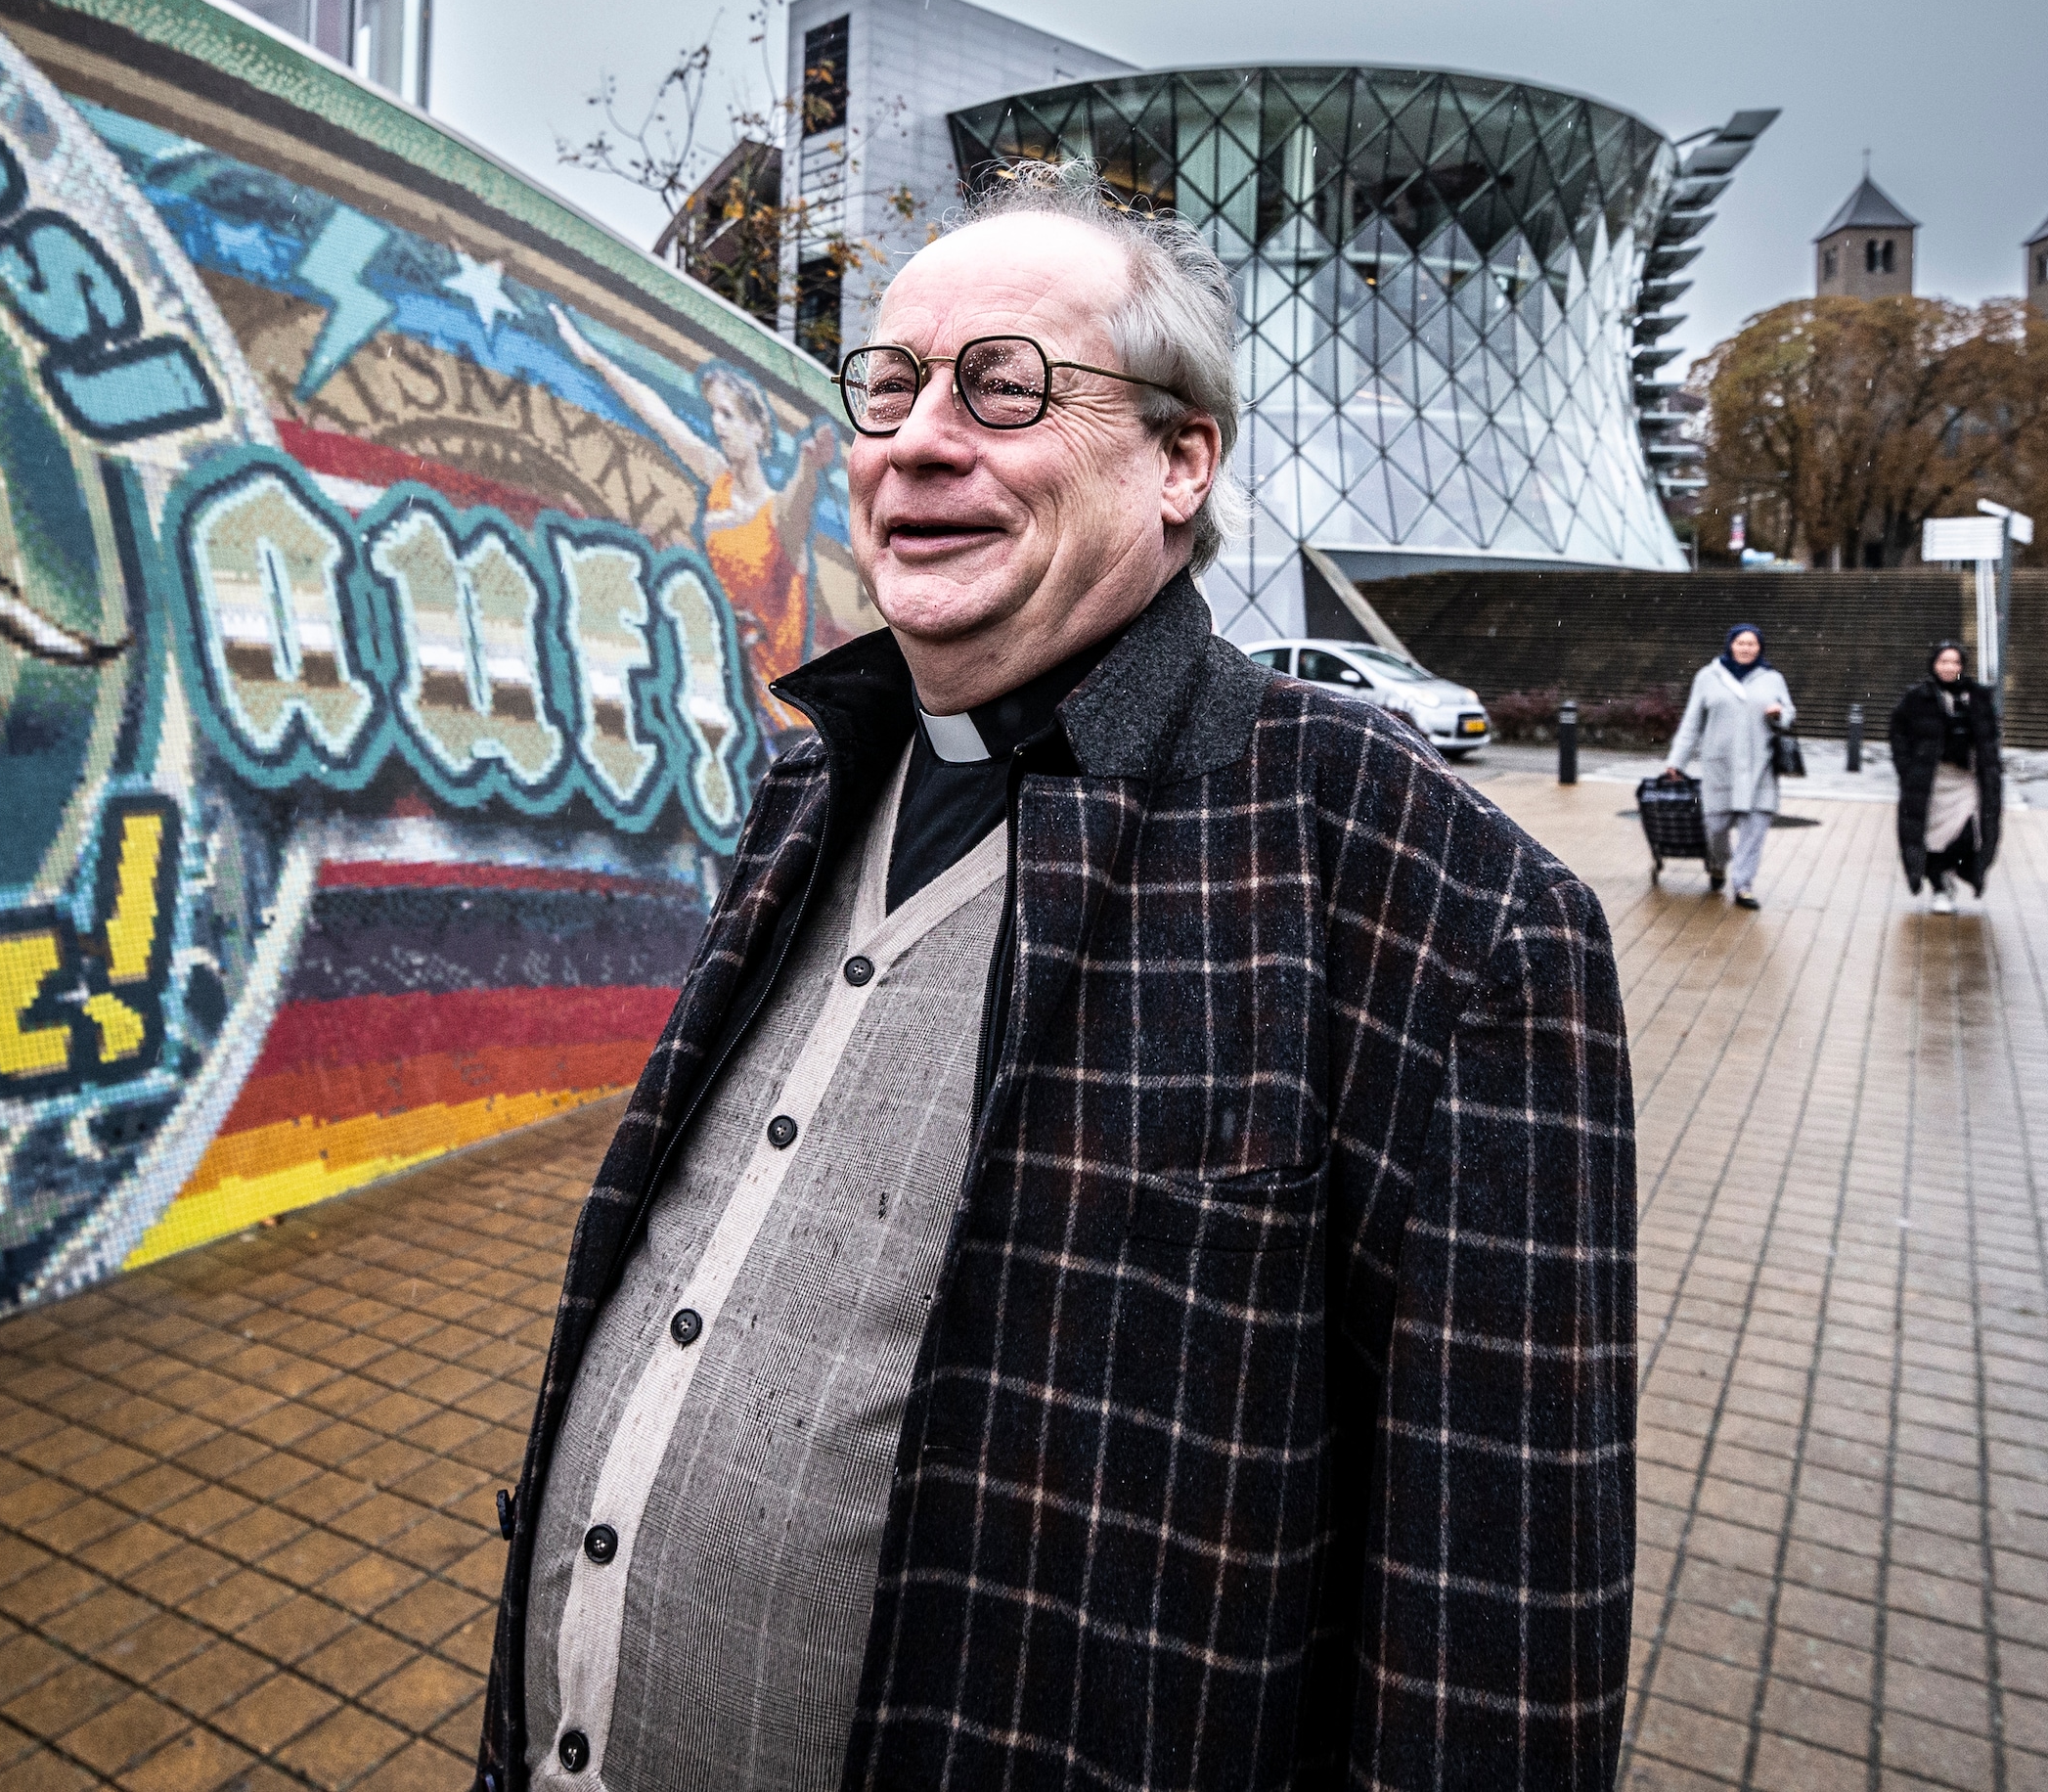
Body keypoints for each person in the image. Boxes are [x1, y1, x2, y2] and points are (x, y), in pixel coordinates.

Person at [480, 161, 1637, 1791]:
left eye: (1005, 384)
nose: (918, 441)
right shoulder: (812, 789)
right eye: (886, 386)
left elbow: (1494, 1660)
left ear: (1181, 461)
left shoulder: (1435, 902)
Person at [554, 313, 838, 731]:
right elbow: (659, 415)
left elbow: (798, 498)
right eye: (714, 415)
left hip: (780, 722)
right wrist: (596, 359)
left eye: (729, 416)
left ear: (759, 429)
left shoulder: (778, 516)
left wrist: (810, 467)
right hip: (729, 707)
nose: (718, 426)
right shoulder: (718, 481)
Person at [1663, 621, 1796, 910]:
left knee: (1755, 828)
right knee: (1715, 826)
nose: (1746, 648)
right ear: (1730, 645)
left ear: (1759, 648)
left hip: (1761, 767)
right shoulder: (1708, 677)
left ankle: (1743, 885)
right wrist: (1676, 762)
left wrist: (1779, 714)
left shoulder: (1772, 678)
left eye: (1752, 644)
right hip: (1720, 766)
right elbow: (1691, 723)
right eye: (1741, 643)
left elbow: (1788, 713)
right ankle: (1718, 863)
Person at [1890, 641, 2002, 914]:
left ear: (1962, 666)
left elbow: (1990, 736)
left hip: (1967, 780)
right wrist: (1907, 767)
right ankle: (1940, 885)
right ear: (1934, 664)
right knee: (1929, 837)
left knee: (1965, 834)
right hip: (1931, 781)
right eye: (1944, 662)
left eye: (1955, 662)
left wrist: (1989, 766)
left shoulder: (1977, 696)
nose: (1949, 667)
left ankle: (1950, 876)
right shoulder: (1918, 697)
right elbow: (1897, 733)